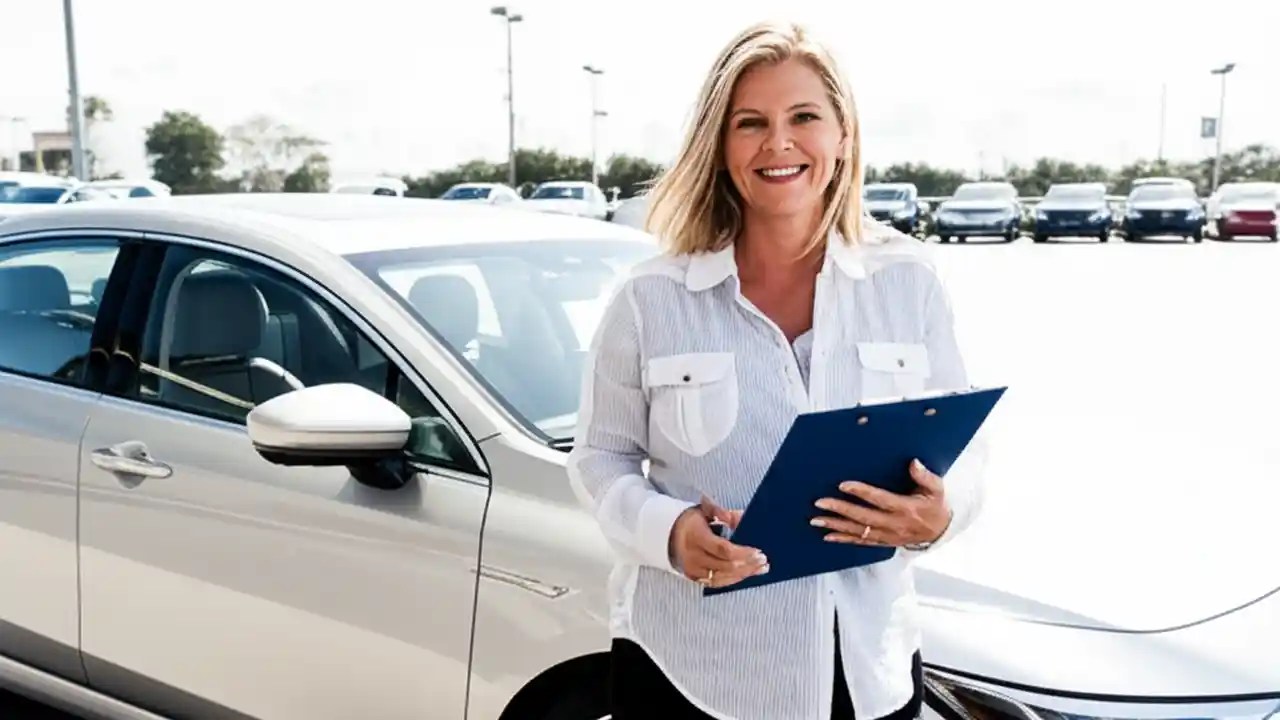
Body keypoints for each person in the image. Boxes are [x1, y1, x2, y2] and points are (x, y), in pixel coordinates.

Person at [567, 20, 988, 720]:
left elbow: (964, 450)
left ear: (843, 135)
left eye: (804, 118)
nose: (779, 143)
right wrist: (667, 530)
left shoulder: (909, 283)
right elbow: (599, 457)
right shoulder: (651, 300)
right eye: (750, 123)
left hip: (866, 669)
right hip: (690, 673)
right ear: (720, 145)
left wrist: (941, 513)